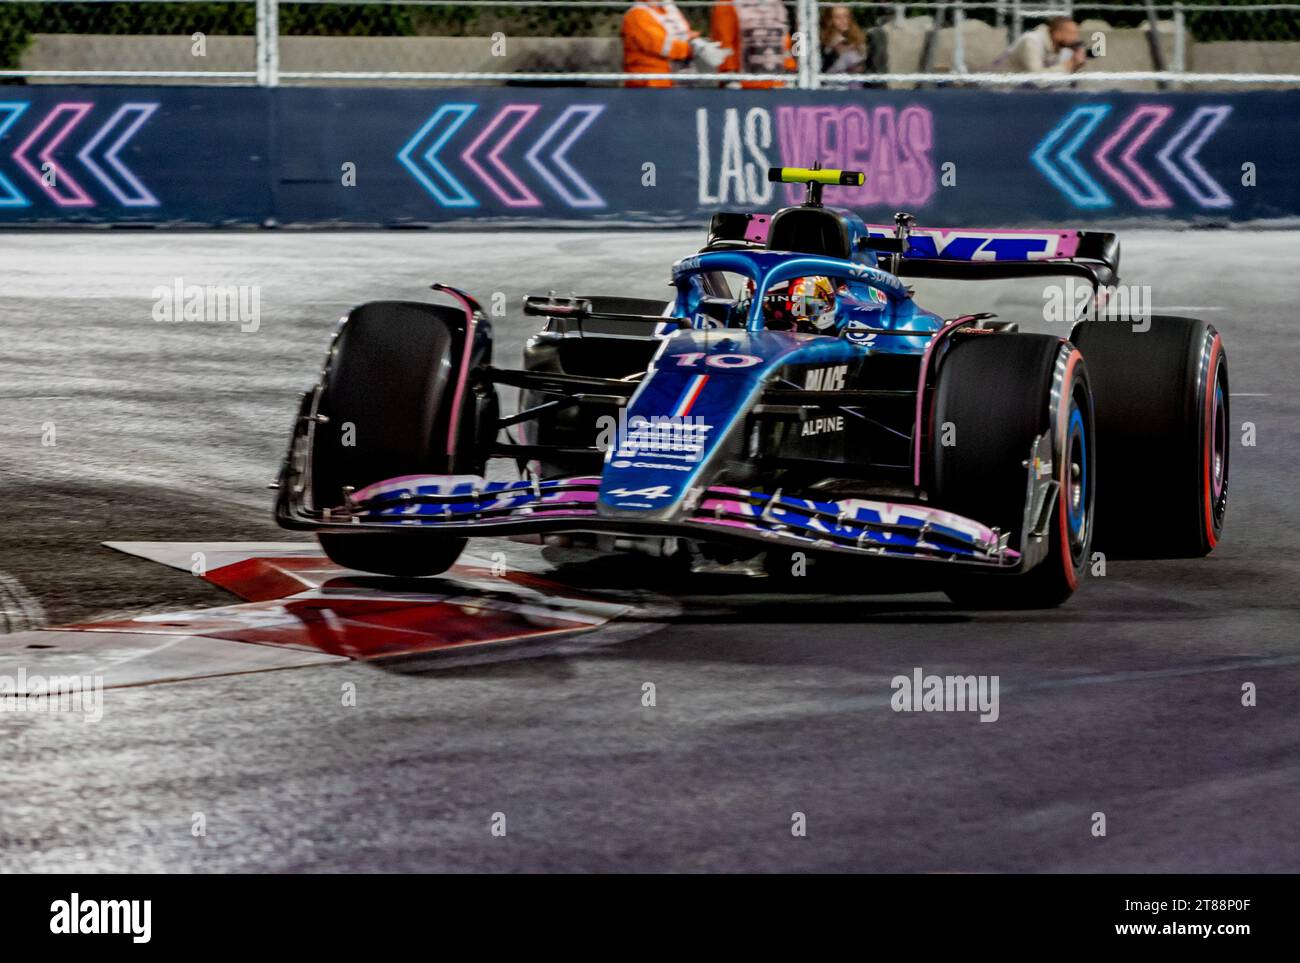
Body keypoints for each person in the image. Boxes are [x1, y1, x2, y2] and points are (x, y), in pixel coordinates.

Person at [621, 1, 728, 88]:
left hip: (675, 81)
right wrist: (692, 48)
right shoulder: (637, 15)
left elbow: (685, 34)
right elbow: (660, 45)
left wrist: (697, 42)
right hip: (651, 84)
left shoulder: (668, 8)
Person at [710, 0, 797, 89]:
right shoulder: (727, 4)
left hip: (778, 84)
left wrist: (789, 69)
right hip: (745, 87)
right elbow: (724, 41)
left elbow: (782, 39)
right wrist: (730, 77)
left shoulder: (775, 3)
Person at [990, 16, 1087, 75]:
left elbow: (1057, 83)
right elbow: (1037, 78)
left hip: (1025, 93)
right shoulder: (1031, 42)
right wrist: (1068, 65)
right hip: (999, 89)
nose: (1076, 38)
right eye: (1072, 33)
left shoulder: (1064, 50)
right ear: (1057, 34)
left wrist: (1074, 66)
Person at [819, 4, 867, 75]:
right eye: (838, 17)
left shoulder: (855, 37)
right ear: (829, 20)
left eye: (846, 16)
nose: (844, 20)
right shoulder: (828, 42)